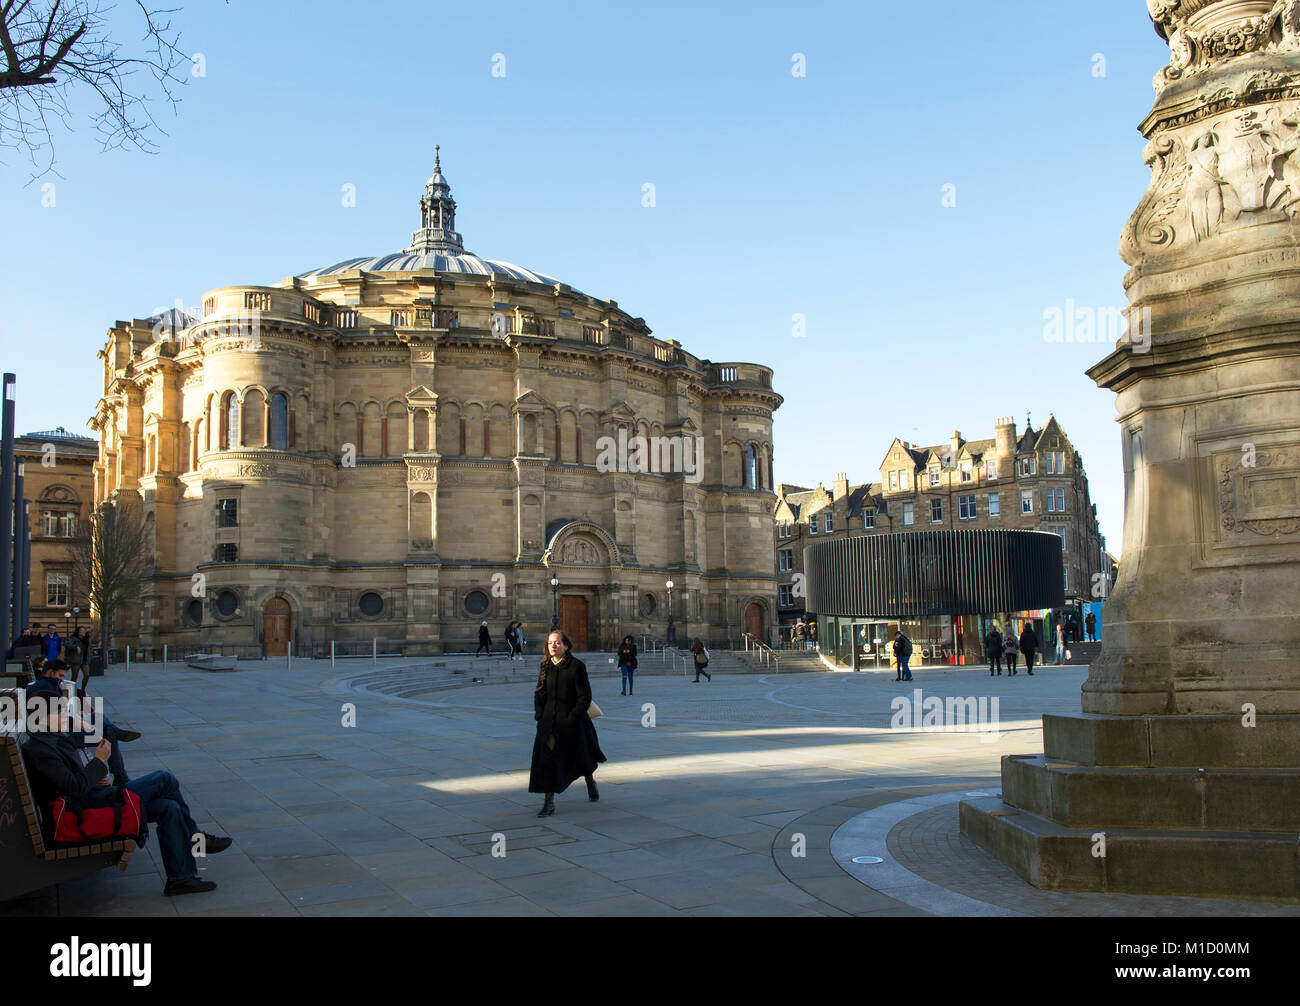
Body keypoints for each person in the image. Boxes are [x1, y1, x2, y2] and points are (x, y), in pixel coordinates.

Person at [22, 690, 232, 896]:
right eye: (59, 712)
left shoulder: (50, 739)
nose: (66, 716)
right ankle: (197, 839)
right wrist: (99, 762)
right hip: (81, 811)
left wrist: (96, 771)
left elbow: (73, 776)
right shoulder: (41, 750)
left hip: (89, 800)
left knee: (169, 807)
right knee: (164, 779)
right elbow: (74, 789)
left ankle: (180, 878)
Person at [26, 660, 141, 785]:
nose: (61, 679)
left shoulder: (46, 685)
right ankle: (120, 775)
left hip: (62, 728)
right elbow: (56, 717)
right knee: (108, 735)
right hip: (64, 733)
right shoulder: (43, 689)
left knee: (99, 719)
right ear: (50, 672)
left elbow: (60, 714)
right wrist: (80, 723)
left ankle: (111, 735)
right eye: (60, 675)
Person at [529, 630, 606, 816]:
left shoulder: (576, 666)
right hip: (549, 722)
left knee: (581, 756)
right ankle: (549, 802)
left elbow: (585, 697)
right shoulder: (546, 666)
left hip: (572, 721)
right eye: (550, 643)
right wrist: (540, 716)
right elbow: (540, 693)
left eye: (557, 643)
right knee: (547, 759)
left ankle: (590, 781)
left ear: (566, 646)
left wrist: (572, 718)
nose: (553, 646)